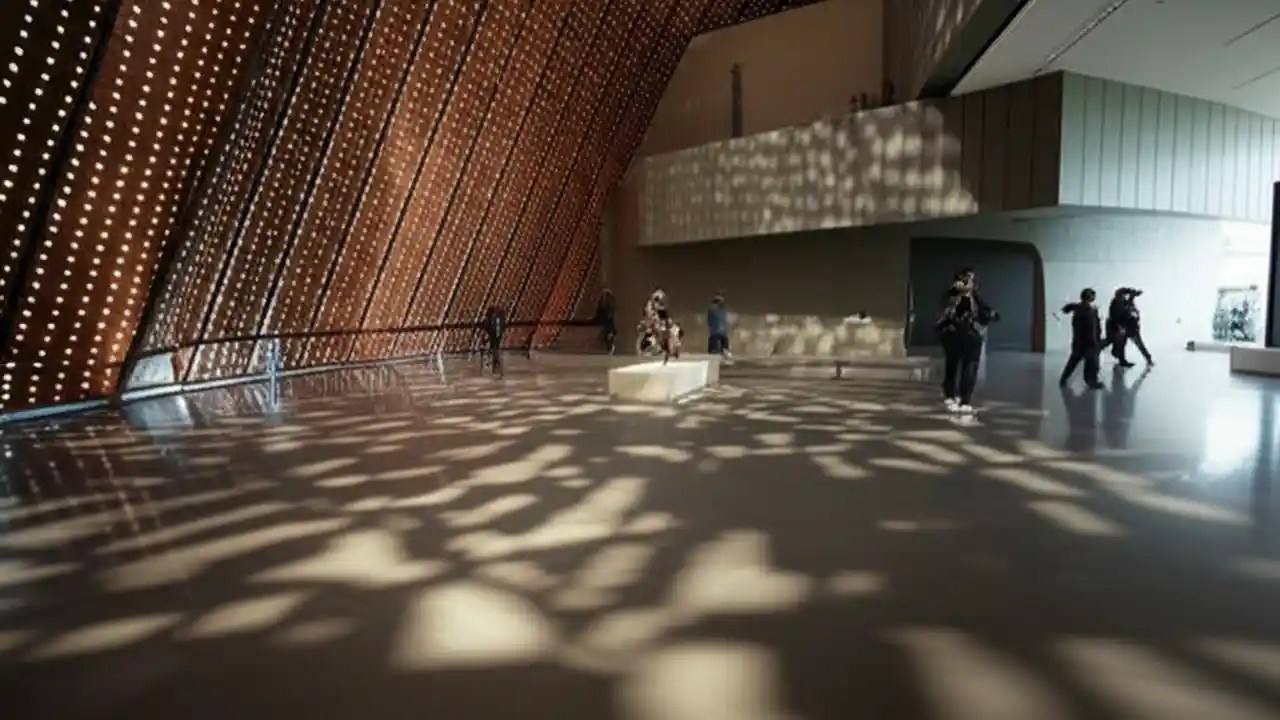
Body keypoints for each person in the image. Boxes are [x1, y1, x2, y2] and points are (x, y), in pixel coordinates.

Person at [937, 275, 994, 414]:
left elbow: (987, 313)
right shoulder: (952, 297)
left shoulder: (976, 300)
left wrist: (988, 317)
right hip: (953, 337)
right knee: (952, 367)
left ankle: (965, 399)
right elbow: (944, 313)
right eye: (965, 281)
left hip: (971, 338)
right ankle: (951, 396)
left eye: (970, 281)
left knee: (969, 369)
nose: (968, 285)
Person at [1059, 288, 1105, 389]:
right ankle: (1065, 378)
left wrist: (1098, 337)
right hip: (1083, 341)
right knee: (1076, 361)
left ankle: (1090, 380)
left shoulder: (1090, 309)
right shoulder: (1081, 309)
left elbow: (1097, 326)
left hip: (1089, 342)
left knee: (1090, 362)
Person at [707, 292, 734, 363]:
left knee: (717, 346)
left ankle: (716, 356)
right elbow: (714, 320)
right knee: (722, 346)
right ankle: (724, 357)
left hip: (717, 332)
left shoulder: (716, 309)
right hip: (718, 332)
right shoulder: (717, 309)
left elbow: (710, 320)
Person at [481, 305, 506, 377]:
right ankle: (494, 363)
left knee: (494, 348)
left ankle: (494, 363)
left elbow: (493, 328)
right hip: (494, 335)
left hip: (494, 335)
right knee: (495, 348)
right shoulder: (496, 318)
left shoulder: (494, 319)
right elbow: (499, 327)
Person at [596, 289, 617, 355]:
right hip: (606, 321)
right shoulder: (606, 303)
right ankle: (609, 345)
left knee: (608, 333)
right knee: (607, 333)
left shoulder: (608, 303)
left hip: (607, 321)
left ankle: (609, 345)